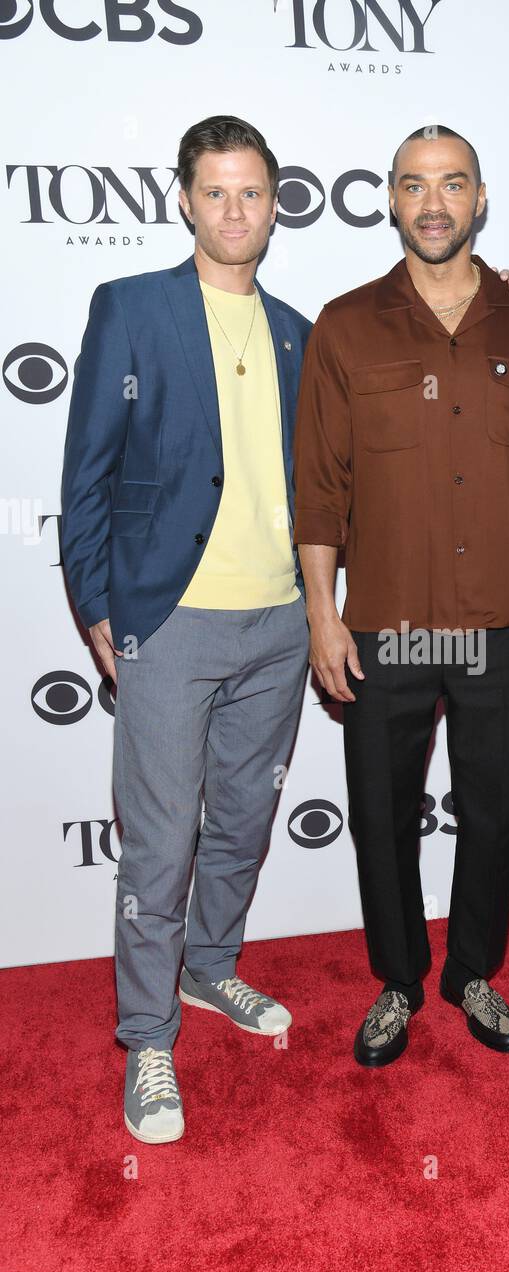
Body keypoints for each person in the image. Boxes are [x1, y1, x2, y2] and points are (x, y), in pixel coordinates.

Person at [293, 125, 509, 1068]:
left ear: (481, 199)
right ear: (389, 199)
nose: (433, 203)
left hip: (504, 617)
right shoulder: (344, 325)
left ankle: (474, 974)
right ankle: (399, 980)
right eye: (414, 185)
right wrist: (321, 614)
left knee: (495, 808)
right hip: (384, 623)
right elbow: (320, 487)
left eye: (452, 184)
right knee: (380, 811)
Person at [60, 115, 312, 1143]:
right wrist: (97, 606)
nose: (235, 210)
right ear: (182, 198)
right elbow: (85, 471)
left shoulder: (299, 329)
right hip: (168, 621)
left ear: (274, 204)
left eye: (252, 192)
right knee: (159, 845)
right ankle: (148, 1034)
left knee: (243, 822)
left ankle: (211, 971)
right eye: (215, 191)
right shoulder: (130, 309)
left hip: (284, 623)